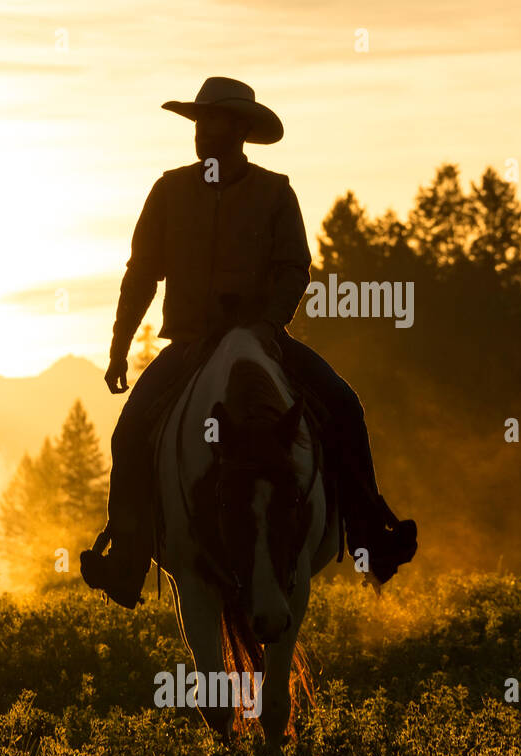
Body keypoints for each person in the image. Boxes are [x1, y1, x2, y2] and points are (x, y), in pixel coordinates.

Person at [80, 77, 417, 608]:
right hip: (190, 343)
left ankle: (372, 538)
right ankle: (128, 557)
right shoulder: (168, 190)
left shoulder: (275, 192)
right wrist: (120, 346)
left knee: (344, 405)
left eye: (213, 121)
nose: (202, 132)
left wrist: (266, 323)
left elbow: (293, 269)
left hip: (264, 339)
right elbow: (142, 273)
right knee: (129, 434)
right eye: (198, 122)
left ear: (240, 130)